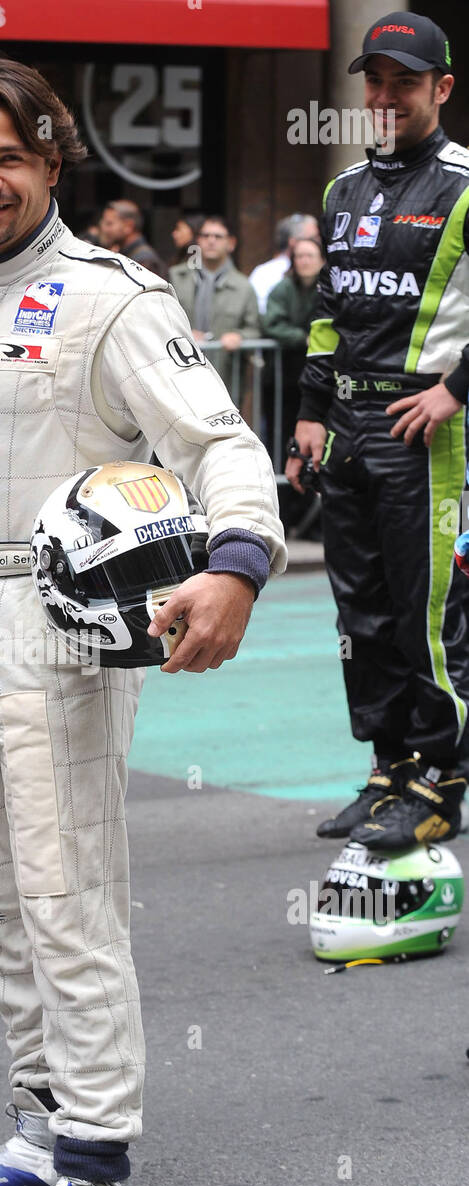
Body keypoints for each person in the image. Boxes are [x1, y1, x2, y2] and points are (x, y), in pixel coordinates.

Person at [0, 49, 285, 1186]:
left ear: (53, 158)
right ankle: (42, 1124)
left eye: (8, 155)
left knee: (66, 898)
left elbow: (219, 444)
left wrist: (235, 563)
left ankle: (98, 1169)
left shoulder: (116, 299)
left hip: (60, 632)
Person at [287, 12, 469, 849]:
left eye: (404, 80)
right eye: (375, 80)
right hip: (350, 425)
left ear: (440, 88)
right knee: (359, 613)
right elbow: (328, 313)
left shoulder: (464, 182)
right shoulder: (341, 190)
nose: (386, 95)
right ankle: (389, 768)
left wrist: (453, 392)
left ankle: (443, 779)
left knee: (425, 612)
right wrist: (309, 415)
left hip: (424, 426)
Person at [169, 213, 261, 395]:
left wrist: (239, 337)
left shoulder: (244, 286)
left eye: (218, 236)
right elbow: (160, 319)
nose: (211, 241)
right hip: (179, 372)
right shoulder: (176, 277)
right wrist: (184, 333)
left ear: (231, 243)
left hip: (224, 376)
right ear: (197, 241)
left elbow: (255, 329)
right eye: (205, 236)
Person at [263, 236, 324, 456]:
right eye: (299, 256)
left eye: (309, 256)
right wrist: (302, 338)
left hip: (319, 375)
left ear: (321, 260)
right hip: (284, 377)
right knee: (280, 434)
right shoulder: (282, 288)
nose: (304, 261)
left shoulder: (328, 289)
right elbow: (271, 324)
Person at [249, 213, 320, 315]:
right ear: (293, 242)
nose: (319, 241)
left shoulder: (323, 268)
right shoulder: (264, 274)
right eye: (313, 238)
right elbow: (262, 314)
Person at [98, 198, 168, 278]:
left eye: (109, 224)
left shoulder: (145, 260)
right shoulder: (128, 254)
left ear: (129, 226)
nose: (103, 229)